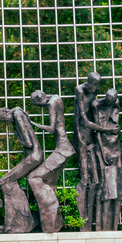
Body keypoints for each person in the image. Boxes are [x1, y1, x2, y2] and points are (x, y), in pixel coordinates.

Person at [72, 72, 118, 230]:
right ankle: (82, 223)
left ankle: (90, 221)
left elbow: (95, 116)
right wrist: (107, 130)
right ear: (89, 82)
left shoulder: (94, 93)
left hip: (92, 138)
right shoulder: (79, 90)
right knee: (85, 180)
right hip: (81, 139)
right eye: (95, 84)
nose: (96, 88)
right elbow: (84, 120)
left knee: (96, 181)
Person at [26, 90, 75, 233]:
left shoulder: (52, 103)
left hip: (62, 150)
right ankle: (55, 224)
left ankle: (49, 222)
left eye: (39, 105)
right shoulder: (57, 98)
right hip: (65, 149)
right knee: (49, 183)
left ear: (41, 99)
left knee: (34, 177)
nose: (41, 108)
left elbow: (51, 129)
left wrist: (31, 122)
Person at [0, 106, 44, 233]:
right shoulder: (18, 113)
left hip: (34, 156)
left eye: (4, 120)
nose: (6, 122)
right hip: (33, 155)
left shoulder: (17, 114)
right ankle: (22, 220)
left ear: (6, 114)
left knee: (5, 181)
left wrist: (18, 137)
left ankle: (22, 220)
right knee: (6, 180)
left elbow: (28, 143)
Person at [92, 89, 122, 231]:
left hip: (115, 155)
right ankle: (104, 230)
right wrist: (103, 154)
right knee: (107, 194)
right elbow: (98, 133)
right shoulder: (97, 106)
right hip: (106, 154)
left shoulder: (116, 106)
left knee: (117, 196)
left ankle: (114, 229)